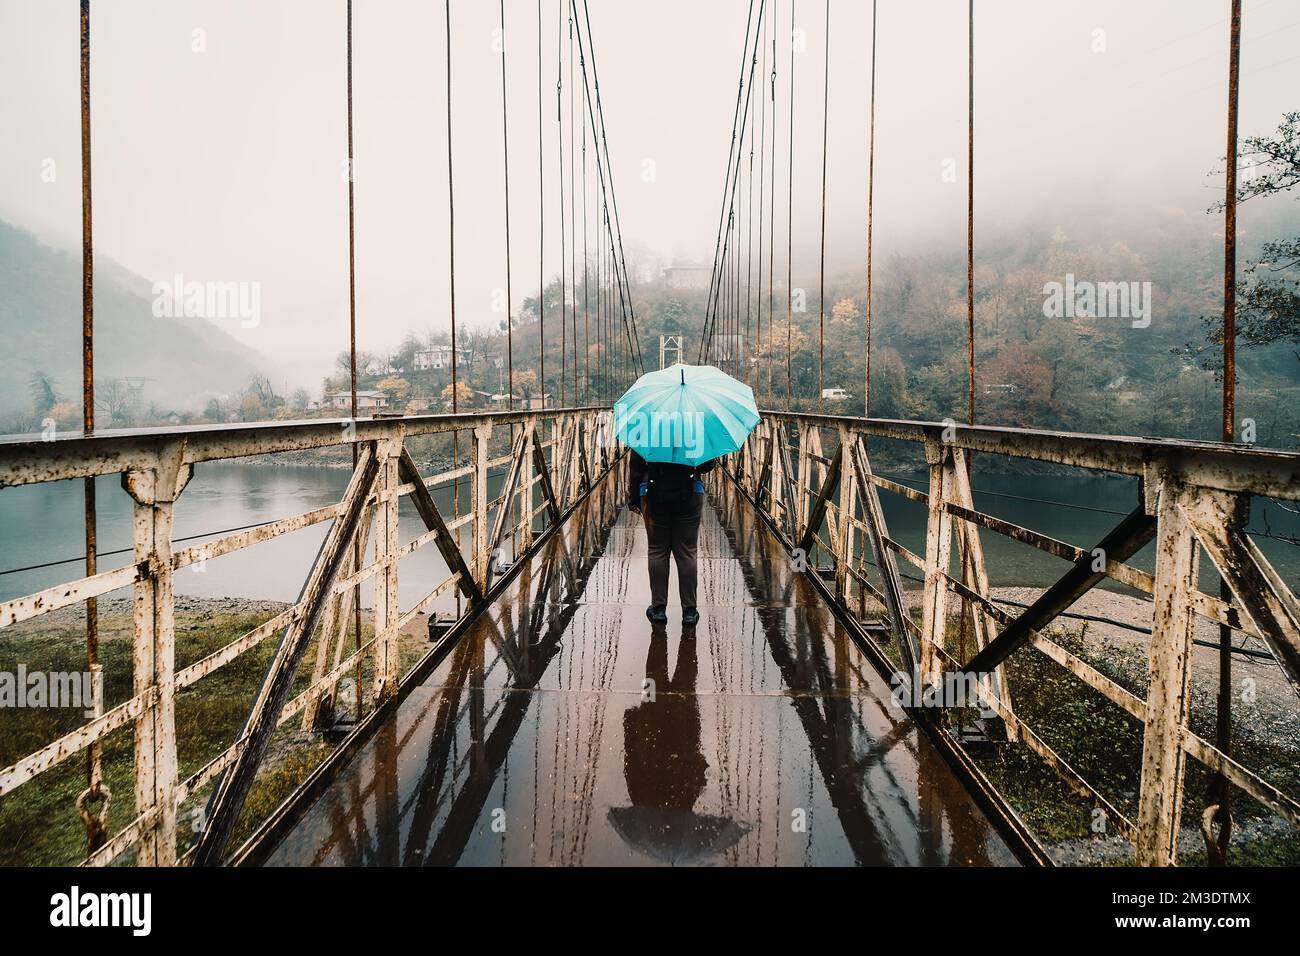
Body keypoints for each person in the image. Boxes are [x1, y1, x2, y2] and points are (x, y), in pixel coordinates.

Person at [627, 449, 716, 625]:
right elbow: (707, 465)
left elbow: (636, 467)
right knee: (687, 552)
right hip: (690, 491)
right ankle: (689, 612)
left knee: (657, 550)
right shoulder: (695, 424)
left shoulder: (646, 424)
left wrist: (634, 498)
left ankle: (658, 609)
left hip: (652, 492)